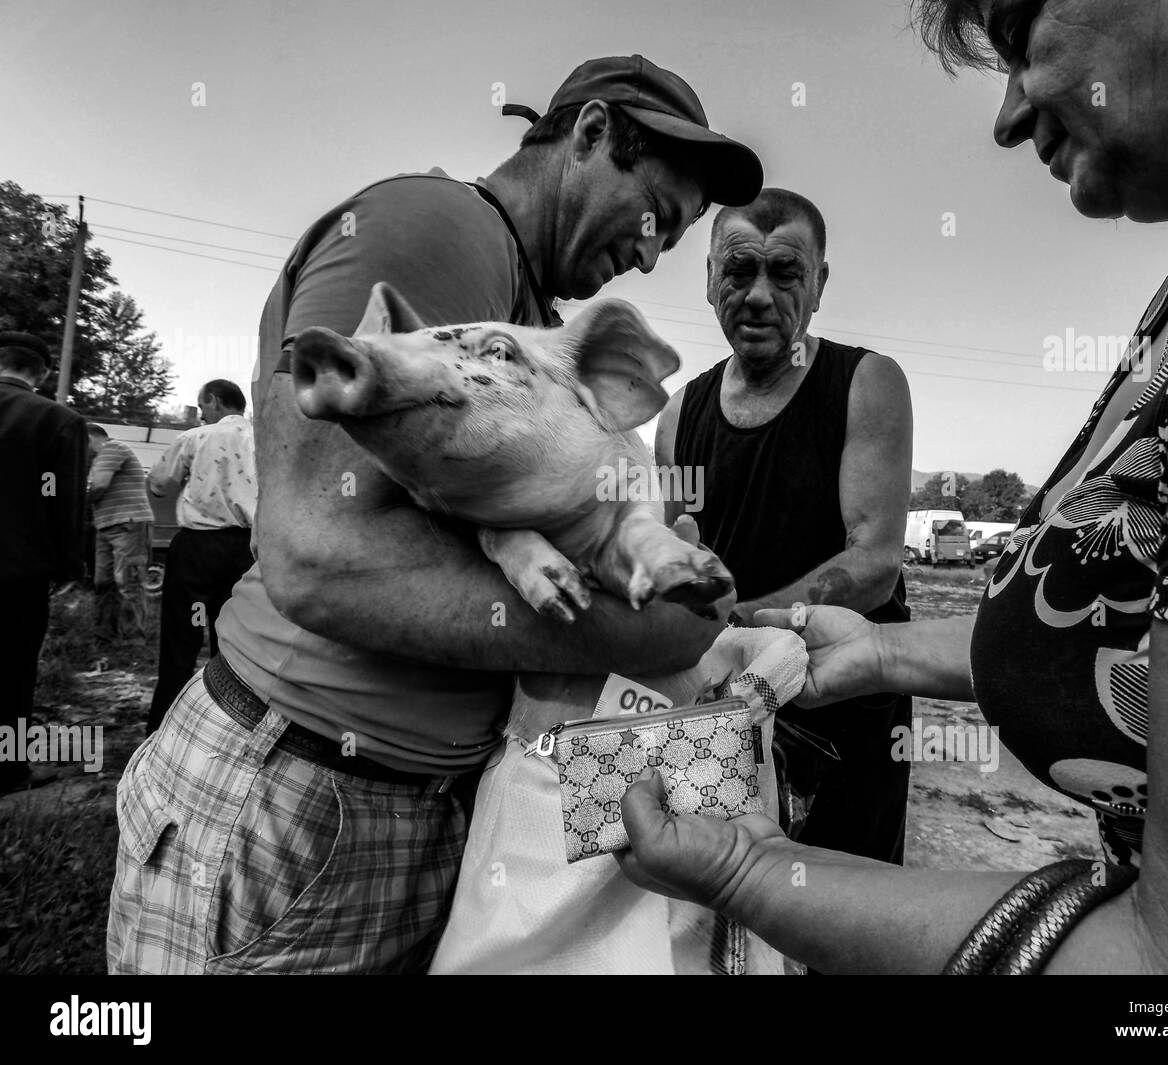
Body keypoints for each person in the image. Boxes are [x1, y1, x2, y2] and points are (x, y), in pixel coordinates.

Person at [617, 0, 1168, 973]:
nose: (1006, 117)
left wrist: (743, 874)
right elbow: (1133, 631)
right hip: (754, 704)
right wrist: (884, 655)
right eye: (734, 271)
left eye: (1021, 37)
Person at [108, 54, 762, 974]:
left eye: (675, 237)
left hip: (413, 800)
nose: (652, 252)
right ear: (590, 133)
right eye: (656, 210)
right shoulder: (445, 226)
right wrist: (637, 633)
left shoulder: (530, 316)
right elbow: (316, 552)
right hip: (299, 789)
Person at [658, 187, 914, 864]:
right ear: (710, 278)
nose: (761, 296)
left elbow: (874, 560)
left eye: (786, 272)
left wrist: (743, 627)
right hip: (726, 709)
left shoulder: (865, 383)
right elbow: (675, 550)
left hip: (844, 711)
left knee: (844, 917)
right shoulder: (680, 415)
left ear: (820, 283)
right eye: (740, 271)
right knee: (723, 912)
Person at [143, 380, 256, 735]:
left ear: (214, 400)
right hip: (248, 550)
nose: (202, 410)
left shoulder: (197, 437)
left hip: (198, 546)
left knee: (181, 638)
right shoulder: (266, 438)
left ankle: (164, 728)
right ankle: (226, 728)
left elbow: (160, 484)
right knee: (235, 641)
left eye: (202, 404)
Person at [0, 332, 87, 794]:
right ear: (44, 373)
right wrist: (67, 567)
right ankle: (8, 768)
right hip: (17, 573)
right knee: (12, 668)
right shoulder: (56, 420)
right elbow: (62, 500)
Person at [86, 424, 154, 643]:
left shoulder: (112, 448)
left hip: (127, 523)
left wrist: (72, 503)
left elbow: (99, 486)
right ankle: (104, 634)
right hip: (106, 525)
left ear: (89, 438)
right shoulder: (97, 459)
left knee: (128, 582)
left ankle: (134, 638)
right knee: (103, 581)